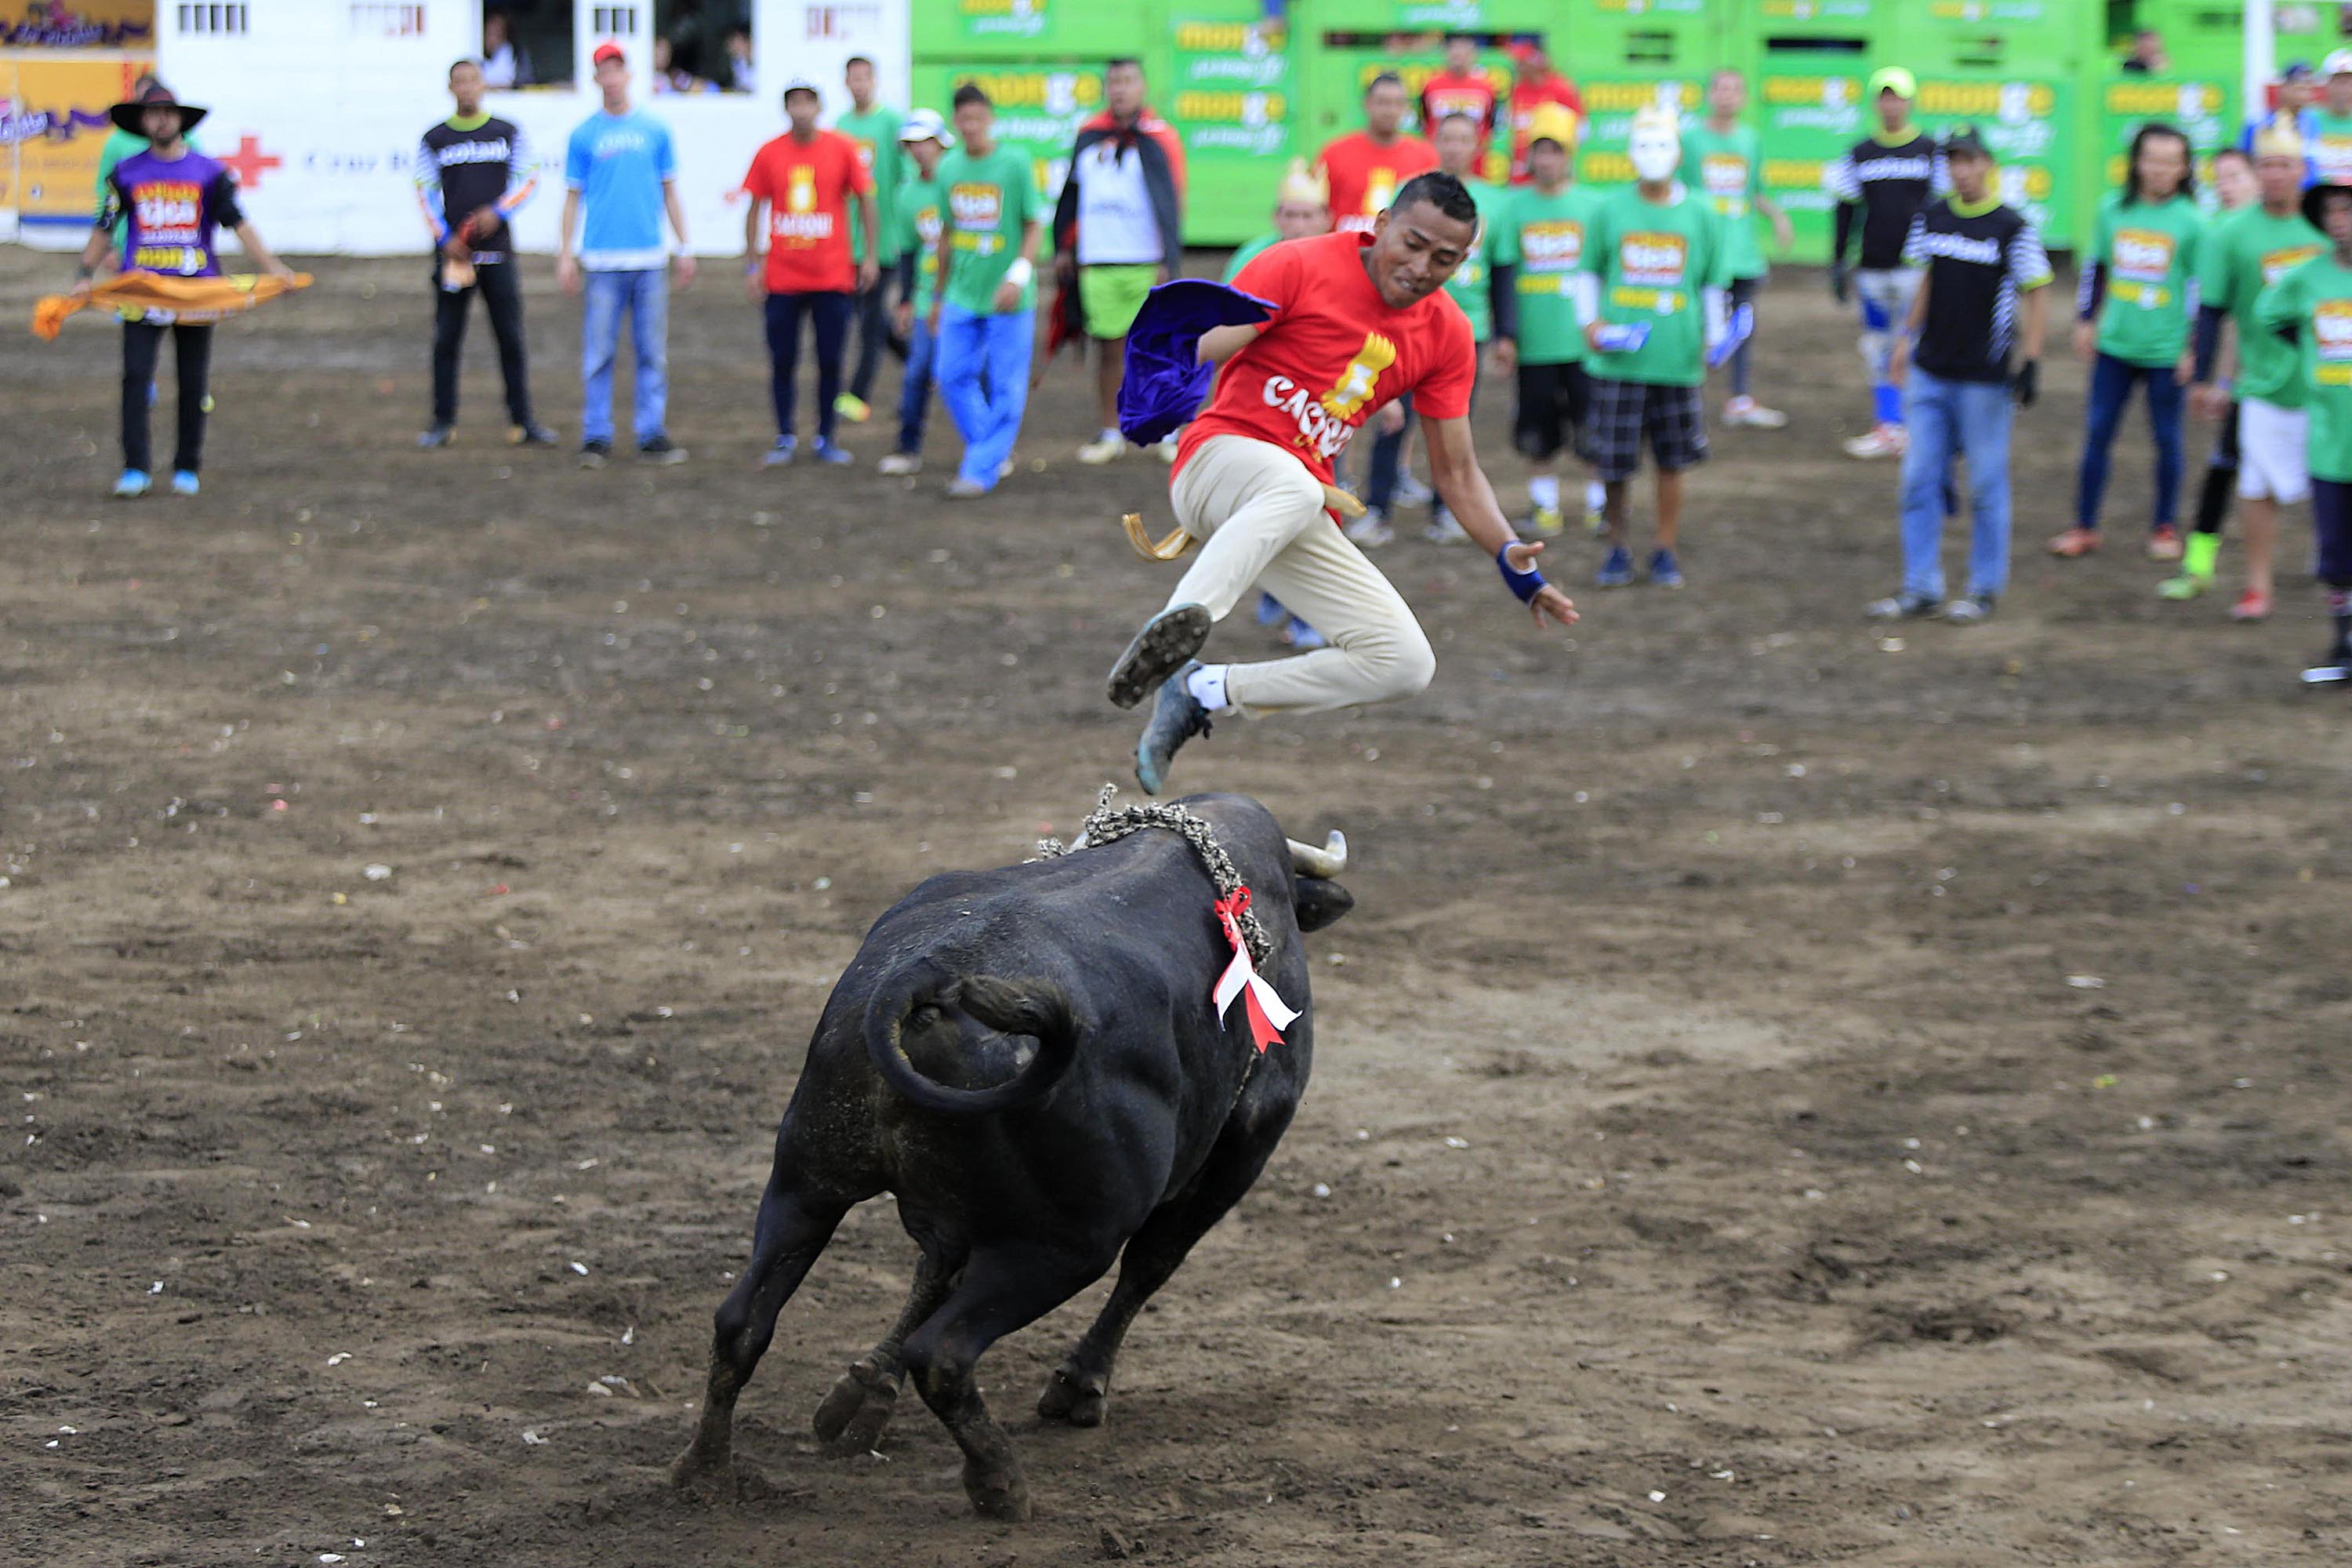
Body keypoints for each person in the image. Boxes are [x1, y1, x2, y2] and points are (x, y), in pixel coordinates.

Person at [1103, 170, 1577, 794]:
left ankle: (1202, 691)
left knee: (1403, 663)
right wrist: (1166, 361)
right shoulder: (1299, 265)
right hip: (1215, 465)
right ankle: (1171, 641)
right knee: (1296, 485)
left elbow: (1457, 471)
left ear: (1462, 263)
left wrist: (1510, 555)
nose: (1421, 268)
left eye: (1444, 259)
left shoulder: (1448, 334)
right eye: (1412, 244)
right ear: (1381, 225)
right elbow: (1203, 345)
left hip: (1291, 508)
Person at [71, 81, 296, 498]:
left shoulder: (209, 173)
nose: (161, 121)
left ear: (180, 120)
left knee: (193, 381)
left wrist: (273, 268)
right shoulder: (125, 173)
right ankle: (135, 468)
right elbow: (105, 226)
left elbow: (238, 223)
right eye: (152, 114)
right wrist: (84, 273)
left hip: (196, 293)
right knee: (135, 378)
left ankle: (187, 466)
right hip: (143, 291)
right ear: (142, 122)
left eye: (167, 113)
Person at [1866, 127, 2051, 624]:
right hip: (1931, 370)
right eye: (1954, 161)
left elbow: (2037, 289)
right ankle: (1921, 586)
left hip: (1984, 379)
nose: (1961, 171)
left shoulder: (2012, 226)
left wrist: (2032, 360)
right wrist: (1905, 338)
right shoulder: (1933, 216)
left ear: (1988, 163)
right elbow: (1927, 277)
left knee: (1986, 486)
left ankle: (1984, 588)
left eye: (1969, 160)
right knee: (1917, 480)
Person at [1579, 104, 1733, 590]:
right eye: (1643, 145)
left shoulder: (1702, 214)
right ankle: (1617, 547)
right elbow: (1588, 272)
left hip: (1677, 358)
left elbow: (1712, 283)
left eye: (1662, 144)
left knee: (1673, 459)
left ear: (1679, 153)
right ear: (1630, 153)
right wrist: (1590, 322)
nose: (1653, 155)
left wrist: (1715, 336)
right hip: (1617, 359)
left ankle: (1665, 548)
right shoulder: (1608, 210)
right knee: (1614, 462)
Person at [2175, 136, 2317, 615]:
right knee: (2244, 479)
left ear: (2302, 170)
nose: (2276, 174)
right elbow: (2214, 311)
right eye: (2267, 165)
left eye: (2285, 165)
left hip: (2331, 384)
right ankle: (2225, 573)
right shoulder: (2231, 234)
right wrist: (2206, 380)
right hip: (2260, 382)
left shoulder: (2328, 226)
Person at [2049, 122, 2204, 560]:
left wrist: (2194, 348)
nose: (2159, 170)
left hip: (2166, 351)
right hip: (2114, 346)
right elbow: (2096, 269)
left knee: (2168, 441)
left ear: (2184, 168)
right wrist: (2085, 320)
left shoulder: (2194, 222)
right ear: (2136, 162)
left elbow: (2199, 290)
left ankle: (2165, 528)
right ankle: (2084, 526)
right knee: (2097, 435)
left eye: (2170, 162)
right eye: (2152, 159)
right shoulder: (2112, 210)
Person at [559, 43, 694, 468]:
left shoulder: (655, 130)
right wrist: (566, 253)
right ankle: (596, 434)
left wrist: (684, 246)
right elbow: (572, 197)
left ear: (629, 75)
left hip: (649, 258)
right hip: (601, 260)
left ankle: (651, 431)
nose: (612, 78)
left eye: (617, 69)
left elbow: (670, 191)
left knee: (652, 352)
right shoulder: (583, 135)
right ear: (596, 78)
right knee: (599, 354)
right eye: (605, 70)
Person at [416, 57, 554, 451]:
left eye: (472, 80)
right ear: (450, 88)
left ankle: (522, 421)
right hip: (455, 257)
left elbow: (528, 179)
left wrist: (498, 212)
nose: (466, 88)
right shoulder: (435, 138)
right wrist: (445, 239)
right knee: (446, 340)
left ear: (483, 84)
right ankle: (443, 422)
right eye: (459, 81)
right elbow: (424, 191)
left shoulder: (506, 132)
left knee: (510, 337)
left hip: (498, 254)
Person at [1054, 57, 1185, 465]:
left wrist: (1169, 258)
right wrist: (1063, 248)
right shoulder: (1088, 135)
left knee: (1156, 349)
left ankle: (1166, 429)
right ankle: (1111, 432)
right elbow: (1070, 196)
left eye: (1128, 81)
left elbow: (1173, 199)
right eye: (1114, 82)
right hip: (1099, 260)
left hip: (1147, 260)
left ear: (1142, 86)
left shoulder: (1161, 137)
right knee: (1109, 351)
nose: (1121, 89)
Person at [742, 78, 878, 467]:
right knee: (782, 359)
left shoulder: (842, 148)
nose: (801, 110)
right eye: (794, 103)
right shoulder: (769, 152)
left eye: (808, 102)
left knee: (831, 359)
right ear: (786, 109)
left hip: (831, 277)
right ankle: (785, 435)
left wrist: (869, 256)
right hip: (783, 278)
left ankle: (826, 437)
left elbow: (866, 200)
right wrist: (753, 264)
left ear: (819, 108)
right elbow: (754, 207)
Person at [929, 82, 1044, 498]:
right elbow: (946, 234)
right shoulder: (948, 168)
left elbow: (1033, 223)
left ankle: (979, 470)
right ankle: (990, 449)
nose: (971, 126)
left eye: (978, 118)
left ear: (990, 119)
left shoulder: (1014, 163)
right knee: (949, 374)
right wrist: (937, 296)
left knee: (1007, 386)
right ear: (955, 122)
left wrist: (1018, 275)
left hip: (1009, 298)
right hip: (961, 294)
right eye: (964, 119)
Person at [2257, 180, 2352, 682]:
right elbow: (2268, 313)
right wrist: (2315, 353)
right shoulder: (2308, 277)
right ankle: (2344, 644)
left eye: (2347, 210)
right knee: (2337, 553)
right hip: (2331, 443)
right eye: (2332, 211)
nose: (2339, 220)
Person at [1494, 103, 1602, 537]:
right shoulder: (1514, 207)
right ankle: (1545, 508)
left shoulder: (1594, 207)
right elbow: (1504, 274)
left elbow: (1605, 273)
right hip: (1535, 344)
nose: (1547, 160)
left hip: (1585, 345)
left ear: (1570, 154)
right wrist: (1506, 335)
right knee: (1536, 431)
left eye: (1556, 150)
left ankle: (1599, 507)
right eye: (1540, 150)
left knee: (1594, 429)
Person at [1828, 67, 1946, 459]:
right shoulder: (1860, 153)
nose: (1891, 104)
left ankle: (1916, 427)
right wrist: (1838, 260)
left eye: (1897, 96)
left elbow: (1944, 209)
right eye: (1884, 96)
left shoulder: (1930, 150)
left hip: (1916, 270)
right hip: (1873, 268)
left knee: (1914, 345)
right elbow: (1845, 209)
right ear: (1875, 102)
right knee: (1878, 346)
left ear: (1909, 101)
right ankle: (1888, 425)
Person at [1686, 67, 1795, 429]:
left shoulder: (1750, 140)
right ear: (1709, 95)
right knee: (1694, 325)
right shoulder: (1690, 141)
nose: (1727, 95)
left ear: (1744, 98)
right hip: (1703, 254)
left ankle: (1740, 398)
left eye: (1734, 89)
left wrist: (1777, 216)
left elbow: (1754, 192)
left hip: (1743, 253)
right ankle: (1687, 396)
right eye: (1721, 88)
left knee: (1743, 325)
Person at [1425, 112, 1512, 543]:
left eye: (1464, 139)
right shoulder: (1416, 192)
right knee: (1395, 420)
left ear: (1477, 146)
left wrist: (1506, 334)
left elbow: (1503, 271)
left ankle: (1445, 509)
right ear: (1435, 141)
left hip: (1468, 330)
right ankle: (1380, 506)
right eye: (1448, 138)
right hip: (1414, 323)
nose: (1455, 147)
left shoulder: (1494, 200)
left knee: (1455, 422)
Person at [879, 111, 952, 477]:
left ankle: (991, 448)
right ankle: (907, 448)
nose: (918, 151)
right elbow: (908, 252)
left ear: (941, 143)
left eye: (925, 142)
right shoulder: (907, 194)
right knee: (916, 373)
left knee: (973, 375)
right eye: (911, 144)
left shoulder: (959, 182)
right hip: (927, 298)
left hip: (965, 295)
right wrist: (906, 300)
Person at [833, 56, 901, 425]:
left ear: (874, 81)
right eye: (853, 78)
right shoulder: (840, 128)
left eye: (864, 77)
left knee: (871, 323)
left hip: (882, 241)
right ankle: (922, 365)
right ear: (846, 83)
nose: (859, 84)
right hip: (847, 243)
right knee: (870, 321)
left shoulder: (891, 123)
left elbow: (904, 181)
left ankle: (858, 396)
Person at [1316, 72, 1438, 235]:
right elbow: (1316, 212)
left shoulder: (1426, 157)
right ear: (1366, 103)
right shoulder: (1334, 154)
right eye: (1383, 102)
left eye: (1398, 103)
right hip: (1346, 247)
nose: (1390, 110)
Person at [1224, 158, 1332, 281]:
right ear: (1276, 217)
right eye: (1290, 215)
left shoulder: (1336, 257)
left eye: (1307, 216)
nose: (1298, 226)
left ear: (1328, 219)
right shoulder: (1252, 255)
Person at [1504, 38, 1584, 183]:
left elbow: (1580, 129)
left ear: (1535, 61)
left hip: (1552, 172)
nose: (1517, 66)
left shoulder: (1561, 89)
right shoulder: (1518, 89)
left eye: (1522, 61)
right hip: (1521, 172)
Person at [1419, 32, 1498, 155]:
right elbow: (1423, 121)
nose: (1459, 57)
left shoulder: (1486, 88)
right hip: (1438, 156)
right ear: (1446, 53)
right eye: (1455, 51)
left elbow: (1491, 124)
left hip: (1474, 158)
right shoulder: (1431, 86)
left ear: (1474, 55)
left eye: (1465, 52)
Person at [2311, 53, 2352, 187]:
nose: (2344, 89)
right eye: (2338, 82)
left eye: (2349, 82)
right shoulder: (2308, 119)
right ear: (2326, 84)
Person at [479, 9, 526, 89]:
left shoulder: (517, 54)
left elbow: (525, 82)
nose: (493, 38)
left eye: (498, 32)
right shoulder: (473, 51)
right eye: (490, 32)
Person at [724, 25, 755, 95]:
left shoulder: (763, 57)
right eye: (729, 44)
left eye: (733, 41)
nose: (732, 47)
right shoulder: (737, 63)